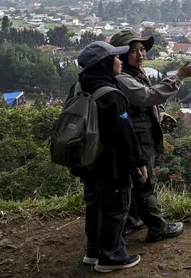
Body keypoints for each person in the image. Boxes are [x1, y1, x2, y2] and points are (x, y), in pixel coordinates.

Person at [109, 30, 191, 242]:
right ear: (122, 54)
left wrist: (158, 112)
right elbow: (146, 95)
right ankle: (157, 227)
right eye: (133, 51)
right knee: (145, 183)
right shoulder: (122, 77)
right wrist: (178, 77)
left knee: (135, 181)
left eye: (142, 49)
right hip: (137, 140)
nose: (140, 54)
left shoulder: (134, 72)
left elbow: (145, 99)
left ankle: (132, 220)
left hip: (139, 135)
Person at [70, 41, 150, 273]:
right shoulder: (111, 95)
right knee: (115, 209)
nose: (120, 61)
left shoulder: (79, 87)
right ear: (104, 63)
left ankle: (93, 251)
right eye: (115, 58)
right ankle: (111, 257)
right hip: (111, 165)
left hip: (87, 162)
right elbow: (125, 134)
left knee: (94, 206)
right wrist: (139, 162)